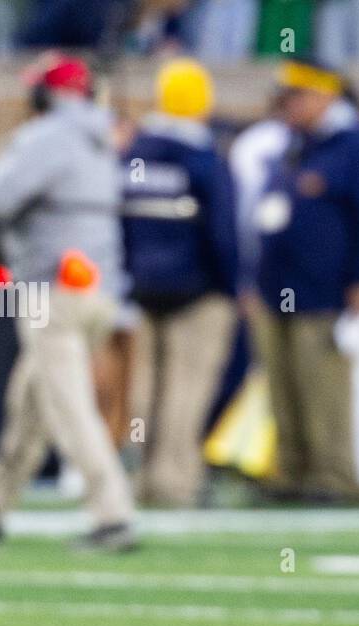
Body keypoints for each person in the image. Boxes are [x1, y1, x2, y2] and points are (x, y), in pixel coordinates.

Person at [0, 55, 136, 551]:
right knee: (30, 405)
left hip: (51, 291)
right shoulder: (104, 136)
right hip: (99, 290)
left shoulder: (49, 136)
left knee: (69, 408)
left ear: (50, 94)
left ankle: (112, 512)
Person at [251, 59, 359, 501]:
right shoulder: (294, 144)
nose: (288, 105)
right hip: (277, 287)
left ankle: (332, 476)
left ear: (324, 95)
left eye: (297, 96)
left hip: (324, 290)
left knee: (322, 386)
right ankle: (291, 471)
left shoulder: (349, 146)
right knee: (283, 386)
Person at [123, 57, 238, 507]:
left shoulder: (134, 152)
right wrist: (231, 286)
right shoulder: (202, 158)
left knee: (145, 388)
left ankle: (137, 481)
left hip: (143, 288)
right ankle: (173, 482)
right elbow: (222, 232)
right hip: (198, 292)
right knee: (186, 390)